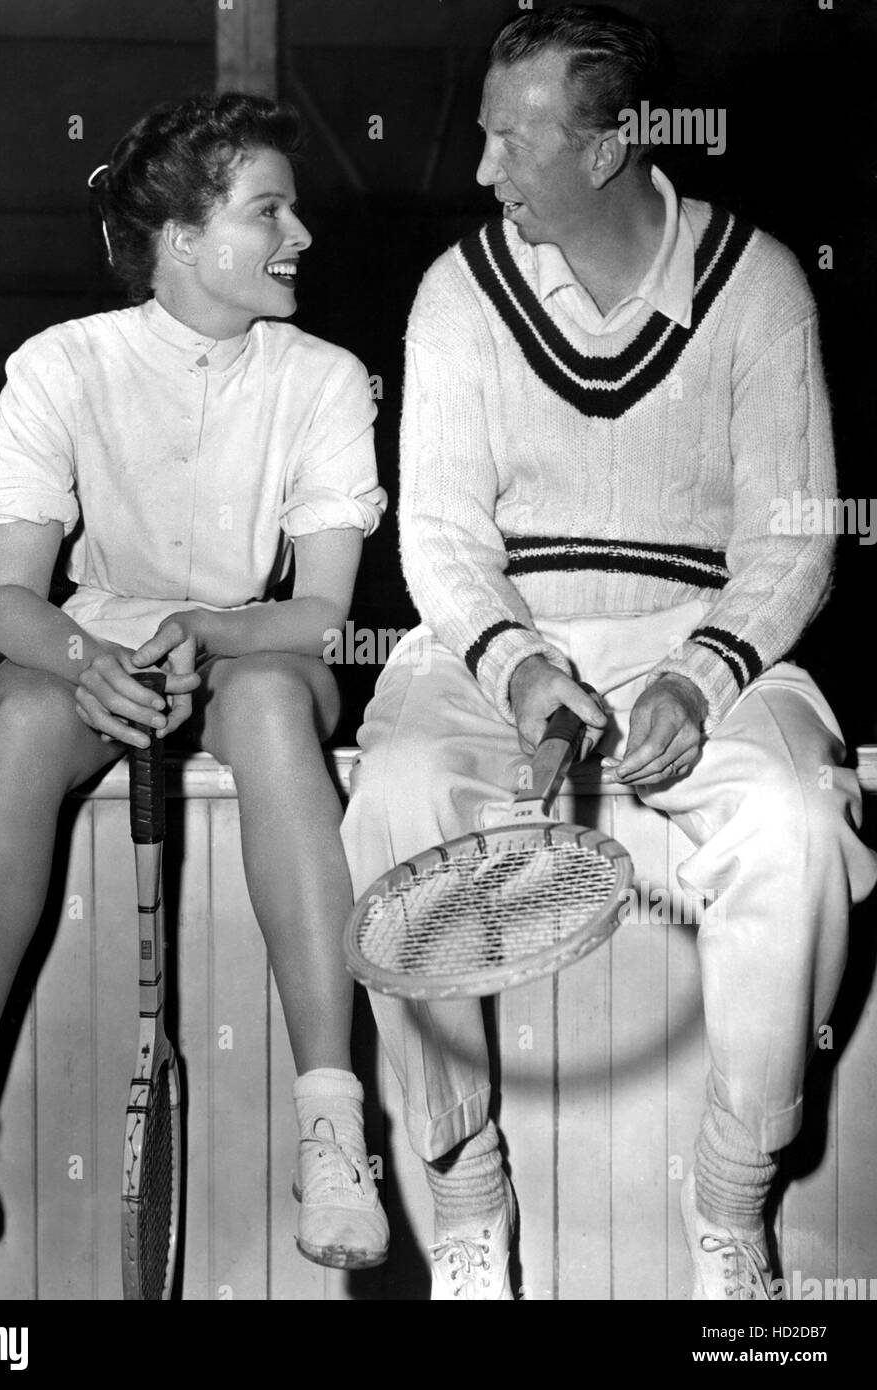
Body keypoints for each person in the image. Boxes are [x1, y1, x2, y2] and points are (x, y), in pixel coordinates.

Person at [341, 6, 877, 1301]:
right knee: (397, 797)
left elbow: (793, 540)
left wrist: (704, 675)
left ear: (608, 147)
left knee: (803, 821)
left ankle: (732, 1198)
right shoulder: (456, 294)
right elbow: (444, 534)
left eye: (510, 141)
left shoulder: (761, 288)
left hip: (698, 649)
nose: (482, 170)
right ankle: (465, 1192)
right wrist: (519, 665)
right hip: (497, 650)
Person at [0, 90, 389, 1295]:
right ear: (181, 238)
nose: (301, 233)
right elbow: (10, 599)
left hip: (251, 645)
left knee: (265, 704)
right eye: (270, 208)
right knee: (20, 727)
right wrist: (85, 663)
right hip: (88, 647)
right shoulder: (61, 363)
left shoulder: (324, 377)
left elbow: (319, 612)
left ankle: (333, 1132)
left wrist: (209, 632)